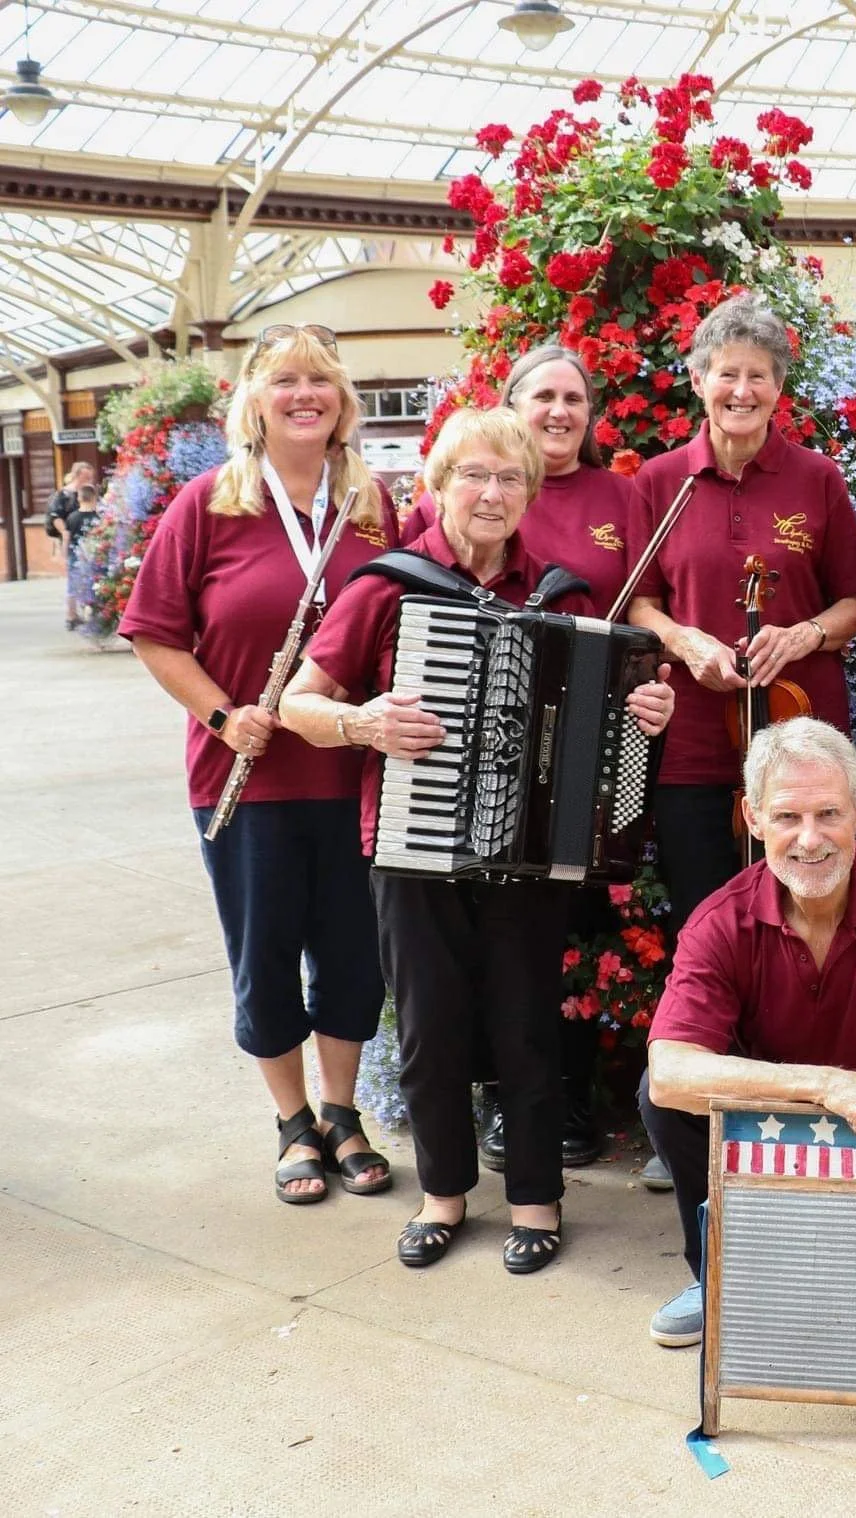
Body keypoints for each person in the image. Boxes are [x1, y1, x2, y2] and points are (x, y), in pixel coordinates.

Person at [280, 408, 676, 1273]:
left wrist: (647, 712)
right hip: (411, 849)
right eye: (474, 476)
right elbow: (297, 703)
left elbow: (611, 723)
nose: (491, 494)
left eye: (509, 479)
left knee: (525, 1022)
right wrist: (363, 721)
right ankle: (444, 1196)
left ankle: (536, 1198)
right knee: (429, 1028)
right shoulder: (390, 586)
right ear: (439, 484)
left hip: (529, 857)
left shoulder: (562, 596)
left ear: (530, 492)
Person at [120, 324, 398, 1207]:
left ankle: (343, 1111)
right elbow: (154, 634)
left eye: (321, 378)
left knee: (354, 959)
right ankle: (292, 1125)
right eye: (285, 380)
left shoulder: (374, 507)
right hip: (248, 781)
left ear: (342, 399)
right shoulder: (209, 503)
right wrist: (219, 711)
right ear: (256, 397)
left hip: (355, 778)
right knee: (266, 956)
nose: (305, 394)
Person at [640, 718, 856, 1348]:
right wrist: (825, 1088)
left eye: (829, 812)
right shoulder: (719, 920)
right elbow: (670, 1074)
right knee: (656, 1098)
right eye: (787, 817)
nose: (810, 839)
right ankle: (721, 1267)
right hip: (778, 1128)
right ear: (752, 819)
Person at [404, 345, 634, 1172]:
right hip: (439, 799)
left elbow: (634, 622)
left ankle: (548, 1128)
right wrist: (366, 720)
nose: (560, 410)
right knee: (446, 989)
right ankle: (468, 1149)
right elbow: (358, 654)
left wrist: (641, 695)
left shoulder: (608, 515)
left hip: (562, 771)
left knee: (542, 965)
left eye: (576, 396)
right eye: (544, 395)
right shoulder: (422, 549)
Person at [624, 294, 856, 931]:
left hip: (802, 733)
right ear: (699, 380)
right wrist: (686, 643)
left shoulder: (817, 478)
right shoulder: (660, 480)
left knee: (809, 912)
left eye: (757, 375)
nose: (741, 390)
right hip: (694, 738)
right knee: (704, 917)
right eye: (726, 374)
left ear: (778, 386)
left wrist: (806, 634)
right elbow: (641, 606)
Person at [48, 462, 97, 628]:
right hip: (74, 542)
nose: (90, 479)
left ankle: (85, 612)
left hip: (87, 543)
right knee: (74, 580)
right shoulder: (64, 495)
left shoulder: (87, 492)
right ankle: (72, 615)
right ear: (78, 475)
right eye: (86, 476)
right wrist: (65, 535)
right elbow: (55, 517)